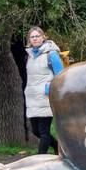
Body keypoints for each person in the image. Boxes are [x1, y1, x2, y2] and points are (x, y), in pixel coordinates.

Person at [23, 27, 63, 155]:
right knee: (35, 131)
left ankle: (40, 159)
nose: (35, 38)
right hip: (33, 98)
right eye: (32, 37)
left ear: (43, 37)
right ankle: (57, 147)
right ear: (29, 40)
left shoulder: (51, 54)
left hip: (46, 97)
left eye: (37, 36)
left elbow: (61, 75)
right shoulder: (29, 56)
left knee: (44, 131)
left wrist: (49, 87)